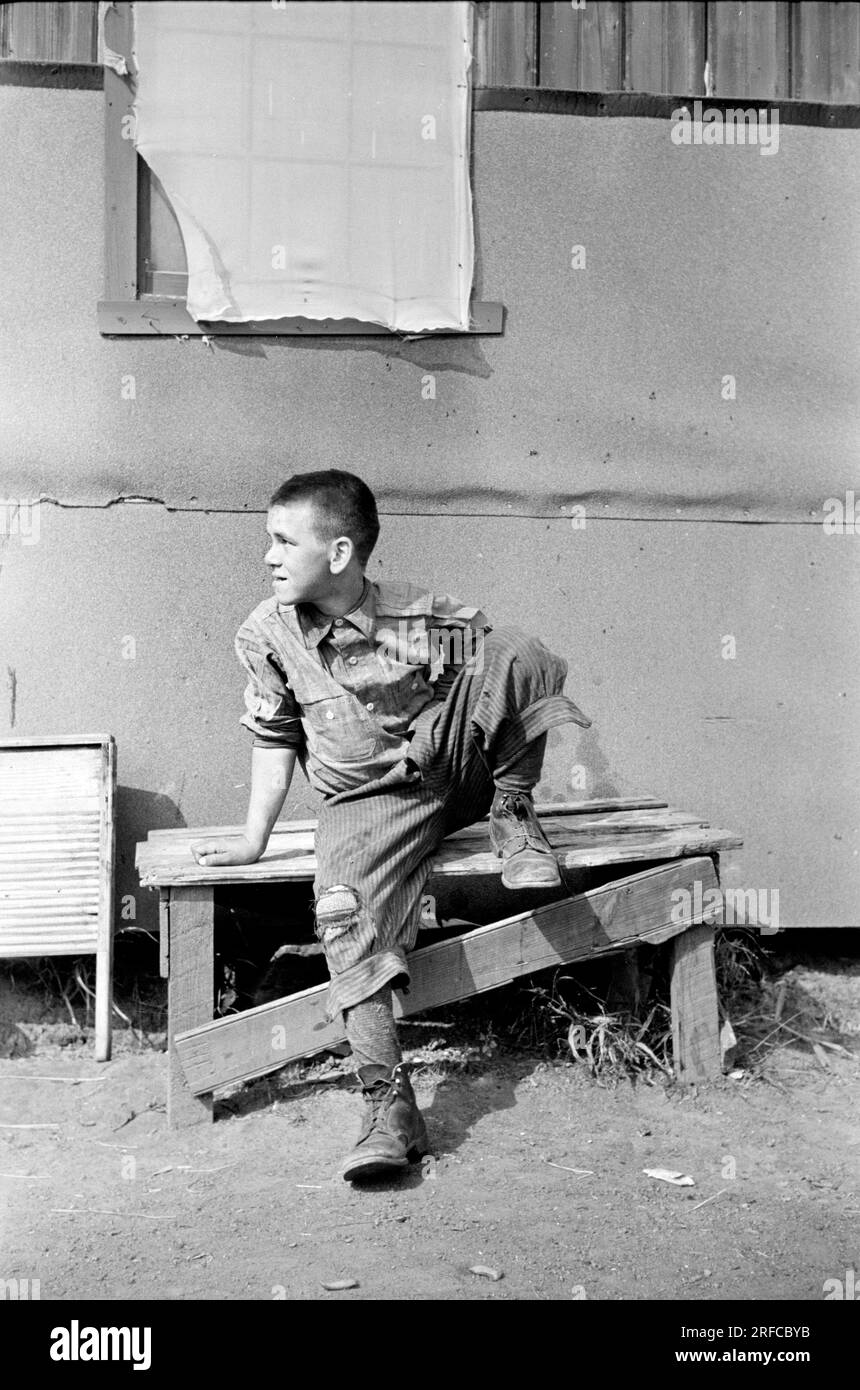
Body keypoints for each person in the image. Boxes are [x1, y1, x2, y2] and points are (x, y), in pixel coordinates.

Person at [191, 471, 590, 1181]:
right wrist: (253, 839)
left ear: (339, 553)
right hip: (365, 804)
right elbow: (275, 739)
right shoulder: (270, 634)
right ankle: (389, 1106)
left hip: (450, 776)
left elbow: (489, 684)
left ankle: (513, 812)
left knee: (516, 651)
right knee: (342, 913)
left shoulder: (413, 618)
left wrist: (459, 723)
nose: (269, 556)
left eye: (284, 541)